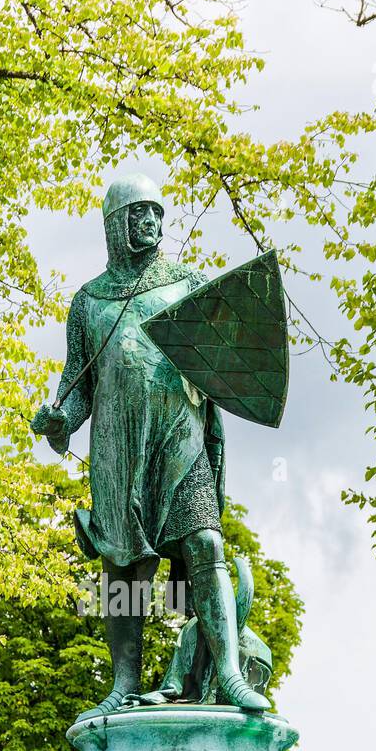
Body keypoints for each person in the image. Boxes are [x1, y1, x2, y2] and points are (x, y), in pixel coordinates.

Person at [33, 173, 270, 719]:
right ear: (115, 224)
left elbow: (222, 363)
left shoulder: (187, 284)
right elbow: (78, 385)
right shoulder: (89, 302)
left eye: (158, 214)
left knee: (207, 546)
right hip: (118, 450)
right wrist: (57, 421)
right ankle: (123, 683)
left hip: (179, 441)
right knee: (125, 572)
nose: (151, 224)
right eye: (139, 214)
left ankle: (230, 676)